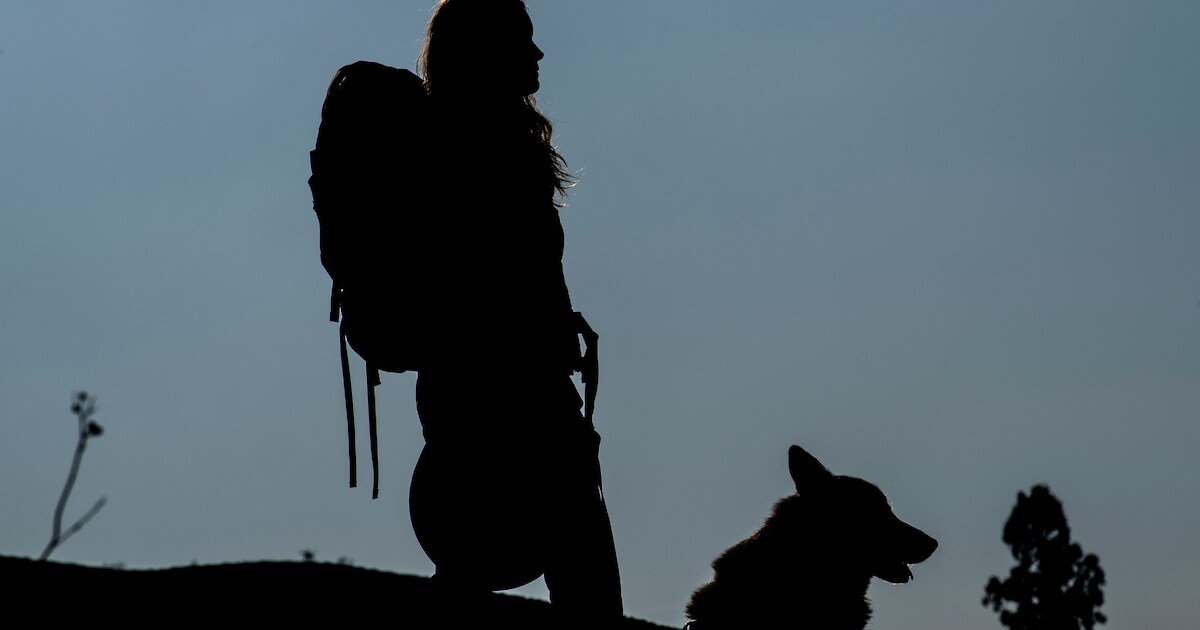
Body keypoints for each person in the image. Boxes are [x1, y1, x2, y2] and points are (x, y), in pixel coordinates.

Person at [404, 0, 624, 624]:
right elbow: (495, 275)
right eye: (523, 40)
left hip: (463, 392)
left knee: (476, 561)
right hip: (515, 395)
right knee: (587, 589)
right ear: (486, 52)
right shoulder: (486, 151)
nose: (538, 54)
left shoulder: (452, 142)